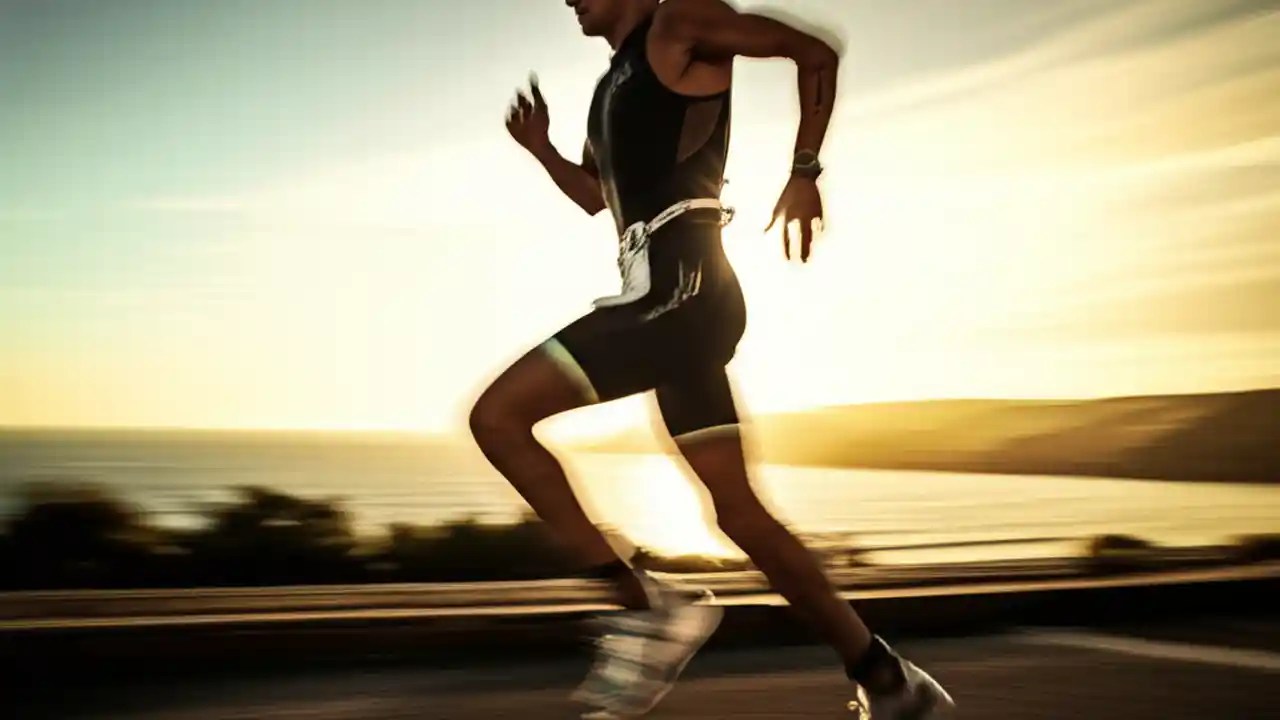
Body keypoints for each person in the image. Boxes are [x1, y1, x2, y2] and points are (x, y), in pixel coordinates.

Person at [473, 0, 954, 717]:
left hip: (683, 291)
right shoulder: (612, 88)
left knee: (499, 418)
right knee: (739, 514)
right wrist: (541, 148)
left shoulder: (679, 24)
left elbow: (814, 52)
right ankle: (889, 680)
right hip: (674, 305)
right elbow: (593, 198)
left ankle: (646, 608)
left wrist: (804, 171)